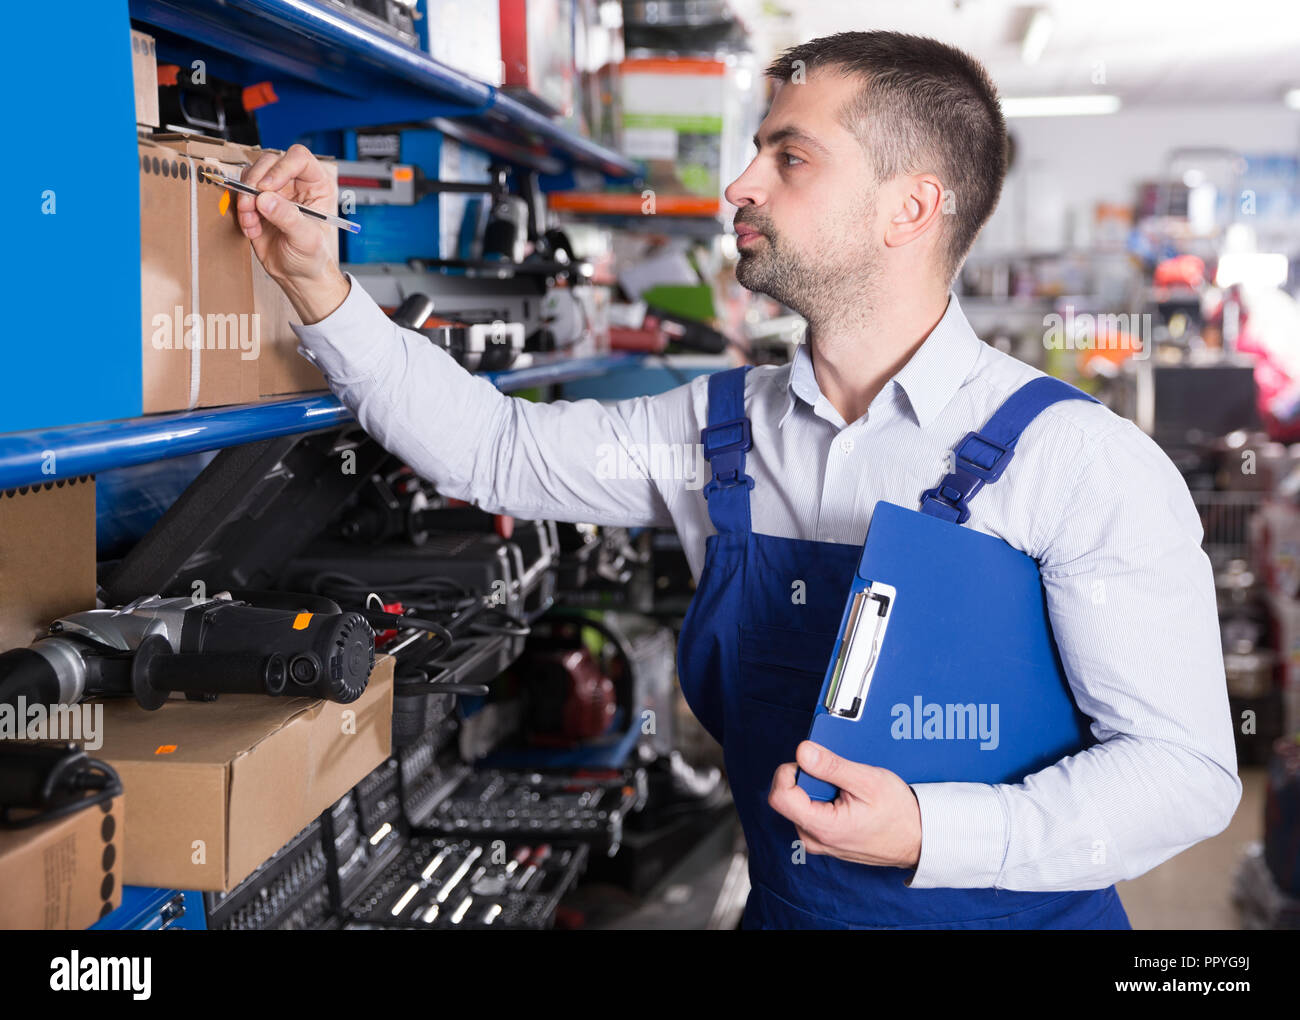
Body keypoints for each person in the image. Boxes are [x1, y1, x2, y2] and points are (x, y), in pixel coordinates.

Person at [237, 30, 1240, 930]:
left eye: (789, 157)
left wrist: (933, 830)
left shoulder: (1078, 461)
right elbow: (491, 449)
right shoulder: (717, 432)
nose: (739, 185)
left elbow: (1184, 773)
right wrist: (320, 284)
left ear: (910, 208)